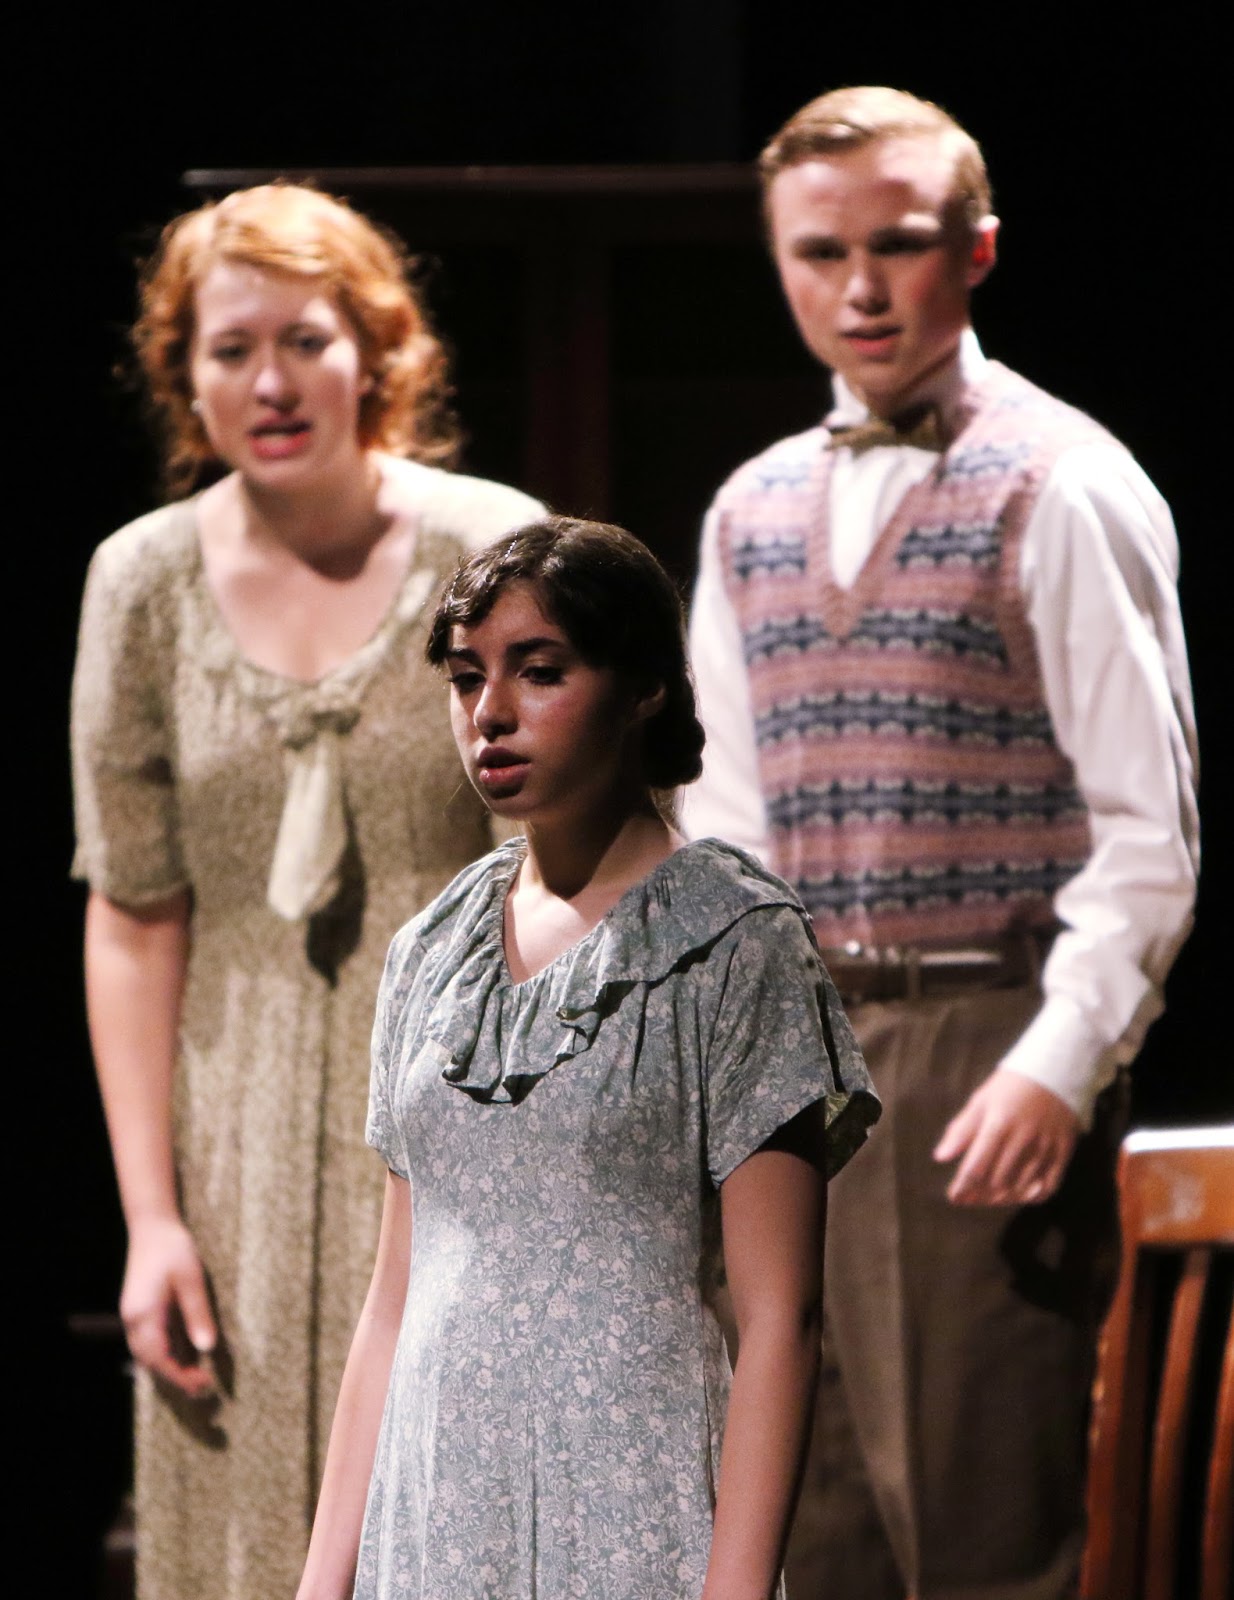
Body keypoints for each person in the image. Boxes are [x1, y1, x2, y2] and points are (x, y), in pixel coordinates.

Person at [683, 86, 1199, 1600]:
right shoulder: (751, 508)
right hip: (795, 1047)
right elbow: (726, 819)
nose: (857, 288)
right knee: (810, 1515)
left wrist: (1056, 1060)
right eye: (817, 251)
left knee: (982, 1523)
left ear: (973, 250)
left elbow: (1144, 829)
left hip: (976, 1032)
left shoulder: (1060, 482)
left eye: (896, 246)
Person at [70, 182, 543, 1600]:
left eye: (305, 339)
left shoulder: (490, 546)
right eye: (229, 350)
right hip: (233, 1141)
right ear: (185, 377)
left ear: (374, 354)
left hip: (466, 1120)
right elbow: (134, 913)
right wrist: (150, 1218)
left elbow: (576, 865)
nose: (270, 382)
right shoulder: (140, 584)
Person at [295, 516, 880, 1600]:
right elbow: (392, 1301)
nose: (491, 714)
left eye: (540, 671)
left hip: (631, 1492)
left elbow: (778, 1315)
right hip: (437, 1506)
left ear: (644, 685)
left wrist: (737, 1587)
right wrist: (323, 1579)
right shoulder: (431, 949)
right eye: (467, 678)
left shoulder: (731, 935)